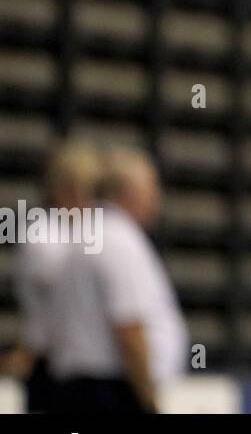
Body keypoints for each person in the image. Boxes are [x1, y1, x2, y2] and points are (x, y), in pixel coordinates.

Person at [44, 146, 189, 413]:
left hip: (81, 387)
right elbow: (129, 328)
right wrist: (148, 399)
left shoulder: (90, 233)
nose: (156, 197)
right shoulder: (119, 240)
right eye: (151, 186)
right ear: (128, 192)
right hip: (109, 393)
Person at [0, 139, 102, 412]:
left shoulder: (85, 232)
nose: (86, 201)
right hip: (52, 362)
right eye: (79, 190)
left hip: (77, 362)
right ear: (62, 190)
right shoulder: (43, 236)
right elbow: (56, 307)